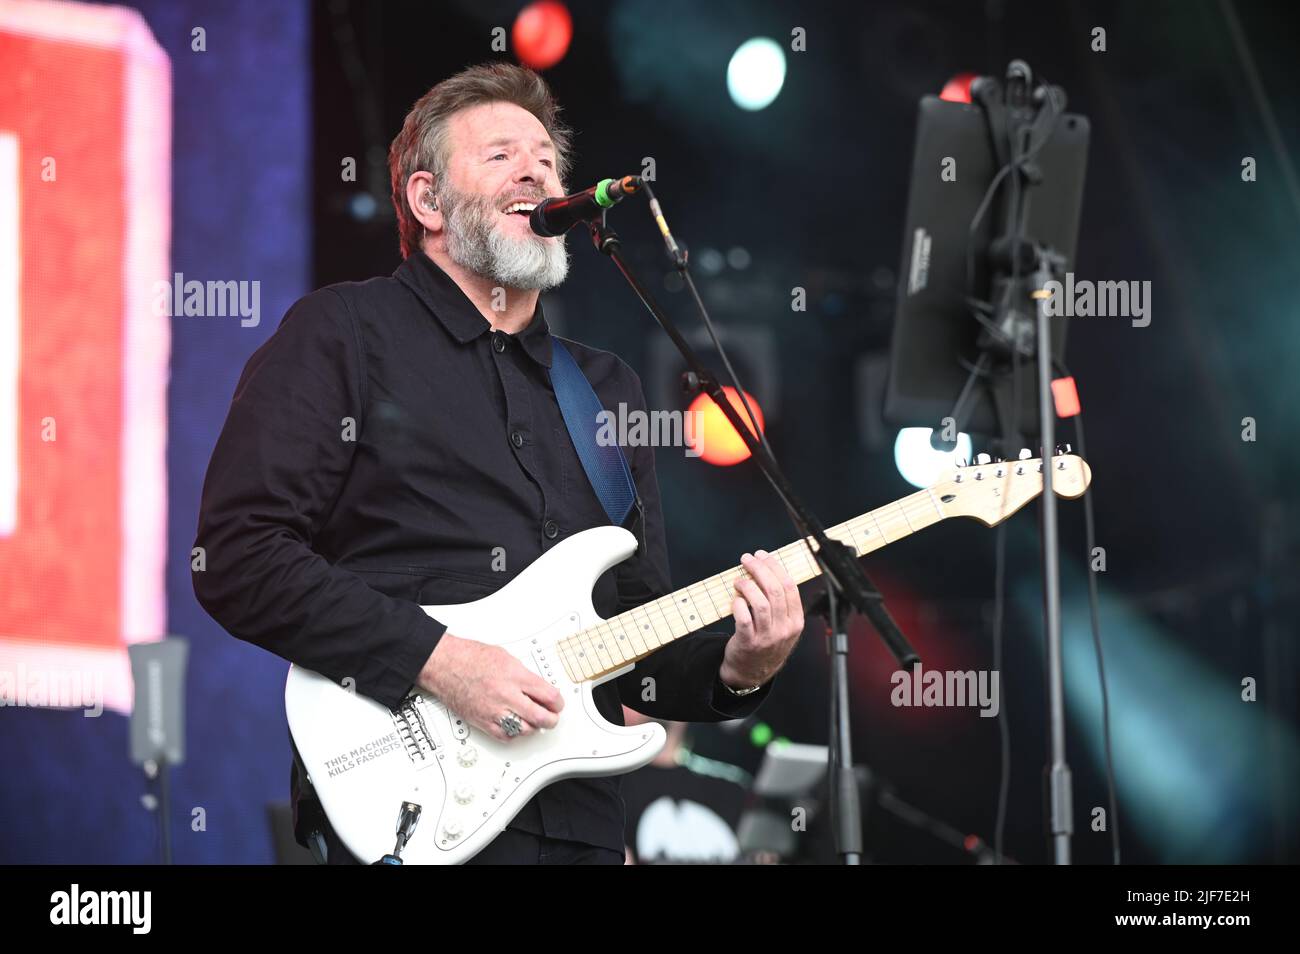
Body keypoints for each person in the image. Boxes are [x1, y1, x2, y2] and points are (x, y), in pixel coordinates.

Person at [193, 61, 804, 865]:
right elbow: (236, 555)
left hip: (582, 828)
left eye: (547, 160)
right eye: (501, 155)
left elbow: (639, 651)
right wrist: (439, 661)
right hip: (407, 805)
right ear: (426, 201)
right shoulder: (344, 332)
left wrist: (739, 666)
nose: (537, 172)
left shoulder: (604, 389)